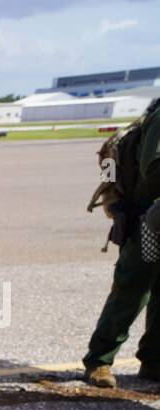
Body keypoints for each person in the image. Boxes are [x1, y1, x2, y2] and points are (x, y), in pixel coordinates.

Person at [82, 97, 160, 388]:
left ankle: (154, 362)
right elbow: (153, 168)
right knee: (132, 289)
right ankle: (99, 361)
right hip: (148, 218)